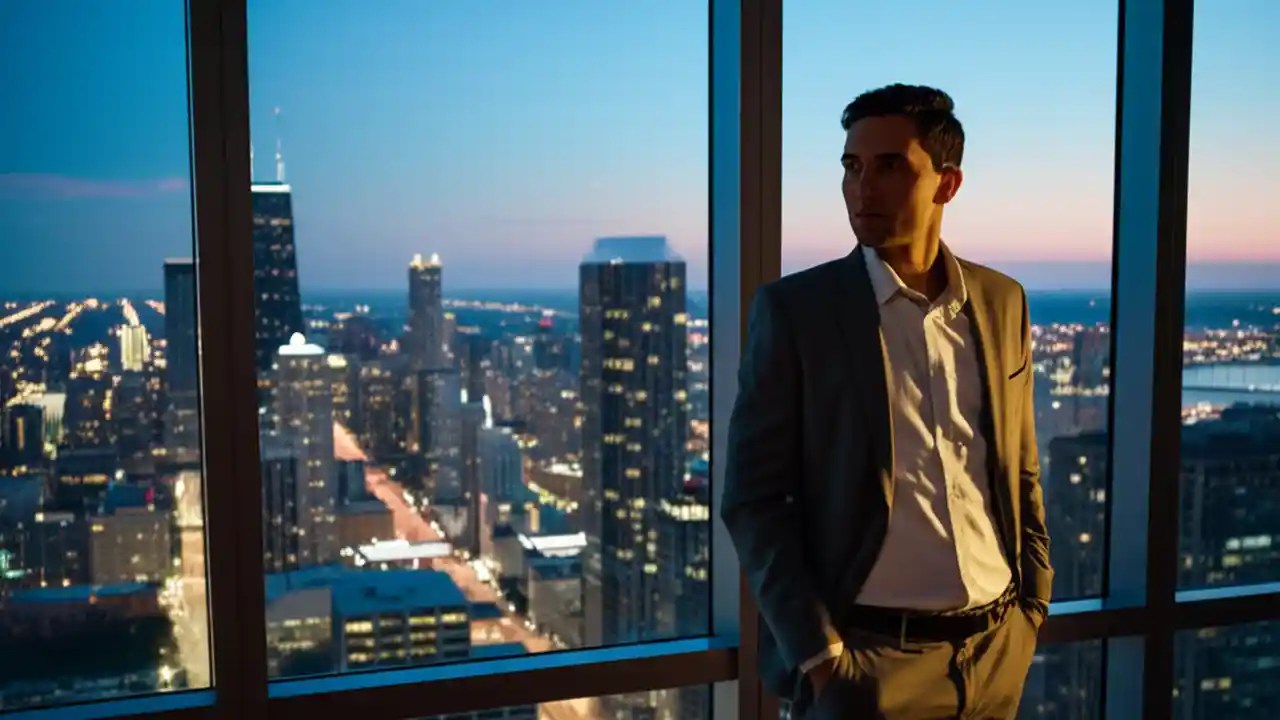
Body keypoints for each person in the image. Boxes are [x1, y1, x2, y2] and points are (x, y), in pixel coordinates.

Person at [722, 84, 1052, 719]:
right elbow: (752, 498)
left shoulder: (1002, 302)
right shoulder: (798, 312)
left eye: (889, 165)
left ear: (947, 184)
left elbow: (1021, 470)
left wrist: (1032, 608)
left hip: (995, 656)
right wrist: (822, 659)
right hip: (868, 669)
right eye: (851, 166)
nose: (861, 187)